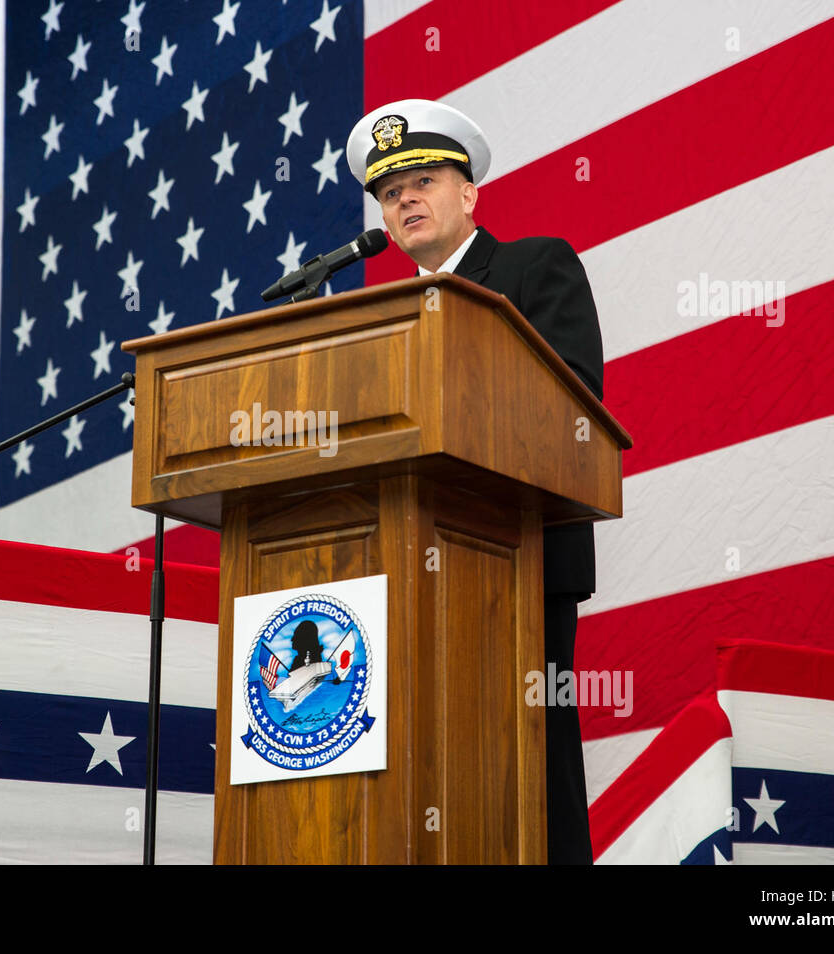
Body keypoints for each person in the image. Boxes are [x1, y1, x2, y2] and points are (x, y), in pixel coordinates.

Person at [346, 99, 606, 865]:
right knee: (432, 769)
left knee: (531, 769)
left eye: (424, 180)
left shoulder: (533, 266)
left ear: (470, 195)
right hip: (404, 571)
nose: (405, 201)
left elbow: (574, 405)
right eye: (391, 194)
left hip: (516, 561)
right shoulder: (378, 316)